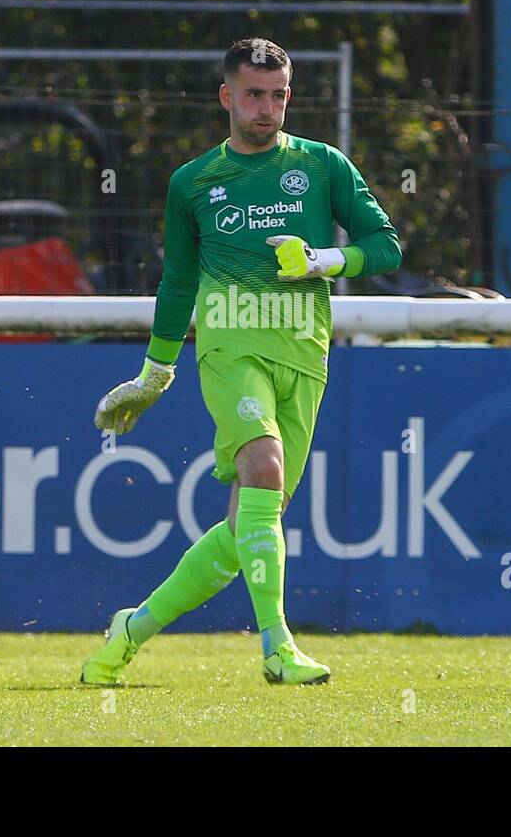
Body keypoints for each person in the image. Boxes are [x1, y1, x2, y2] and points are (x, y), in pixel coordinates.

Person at [81, 37, 401, 685]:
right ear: (227, 96)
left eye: (279, 94)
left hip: (304, 353)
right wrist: (156, 372)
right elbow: (177, 283)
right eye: (254, 94)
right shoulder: (194, 183)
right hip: (229, 346)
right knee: (263, 465)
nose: (268, 108)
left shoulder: (322, 166)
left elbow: (386, 246)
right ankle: (278, 648)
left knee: (244, 530)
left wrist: (326, 261)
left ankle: (130, 629)